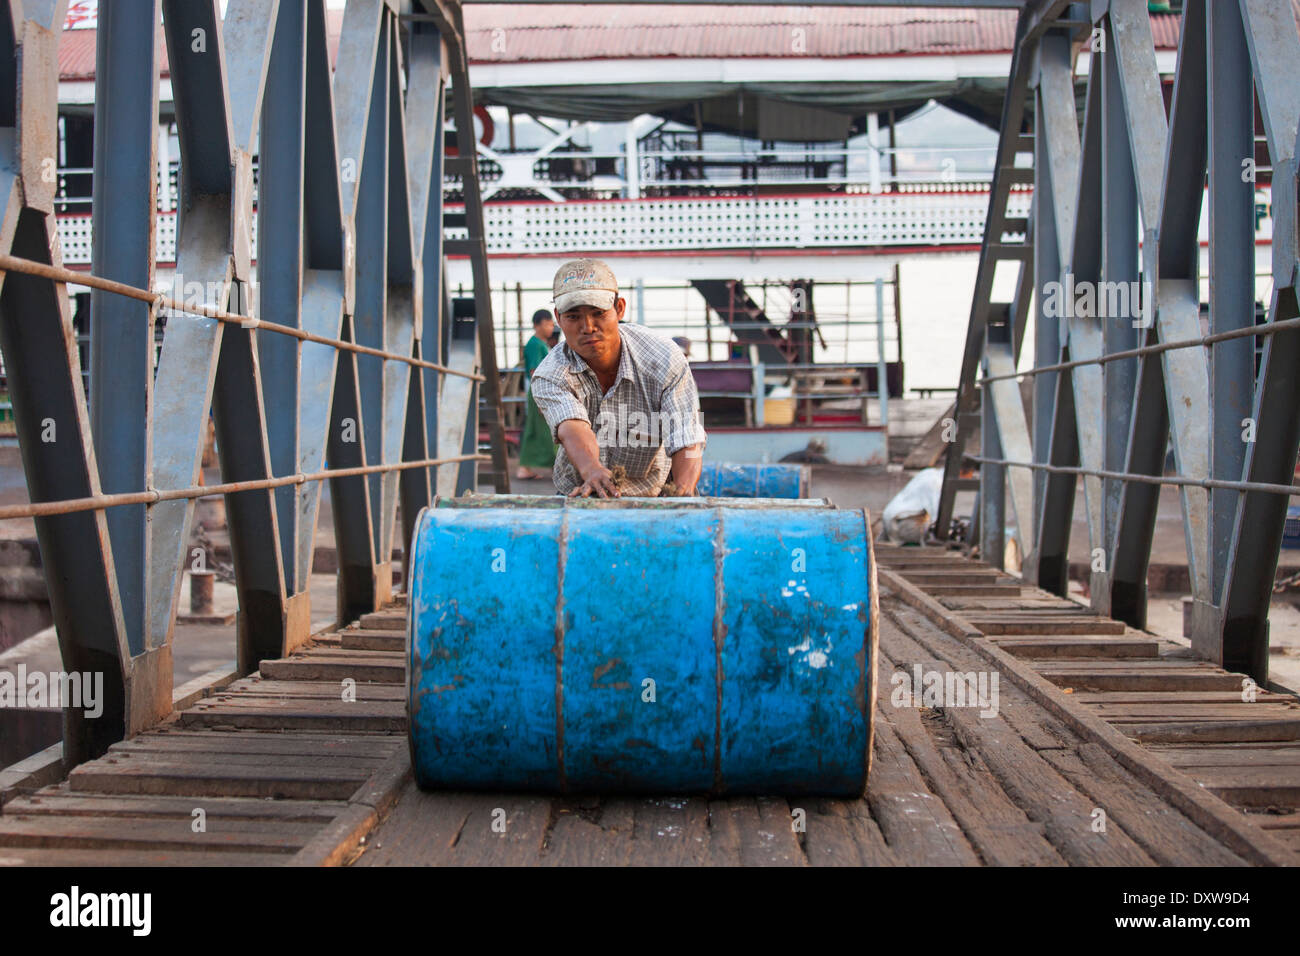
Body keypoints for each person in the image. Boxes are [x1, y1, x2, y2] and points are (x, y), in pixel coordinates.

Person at [530, 258, 707, 498]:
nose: (588, 327)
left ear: (619, 309)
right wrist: (592, 470)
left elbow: (687, 436)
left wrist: (682, 493)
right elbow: (572, 427)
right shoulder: (550, 375)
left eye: (598, 313)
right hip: (583, 492)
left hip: (653, 494)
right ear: (559, 318)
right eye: (573, 317)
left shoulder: (664, 359)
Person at [516, 309, 558, 480]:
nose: (550, 327)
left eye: (551, 324)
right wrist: (542, 397)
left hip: (538, 391)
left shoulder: (540, 343)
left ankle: (527, 466)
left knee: (538, 430)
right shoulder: (535, 344)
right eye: (547, 323)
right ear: (537, 325)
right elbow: (535, 371)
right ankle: (528, 467)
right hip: (538, 391)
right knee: (542, 430)